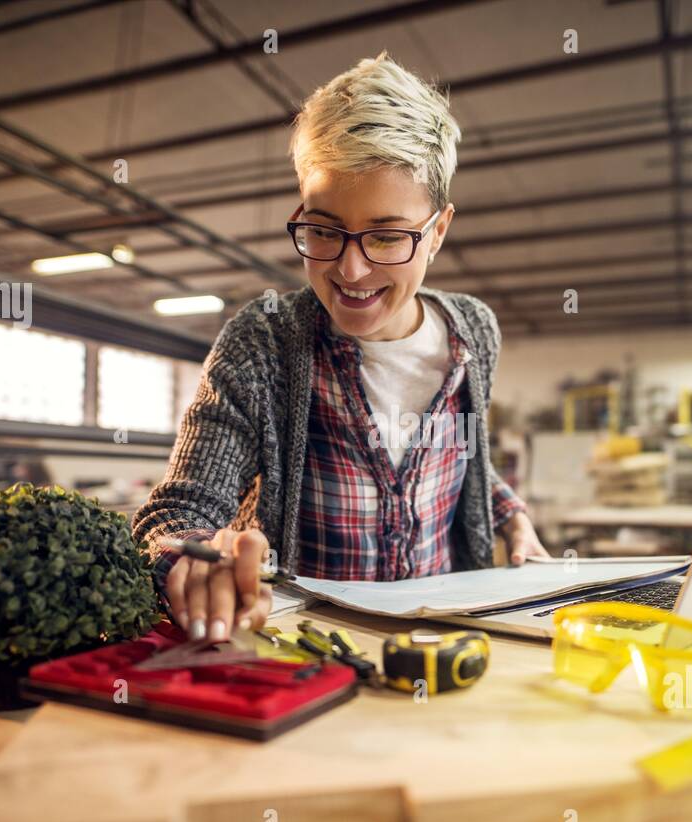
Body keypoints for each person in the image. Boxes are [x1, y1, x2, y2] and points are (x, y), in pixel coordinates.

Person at [133, 52, 547, 643]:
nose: (350, 269)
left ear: (439, 231)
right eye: (324, 231)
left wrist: (511, 515)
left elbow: (454, 452)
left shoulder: (475, 331)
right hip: (308, 656)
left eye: (385, 235)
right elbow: (175, 511)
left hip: (445, 642)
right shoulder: (264, 343)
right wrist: (190, 561)